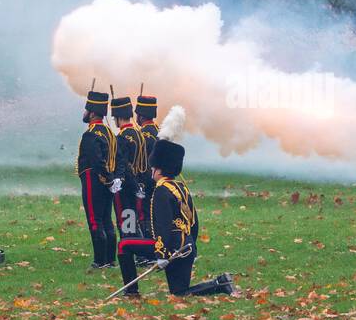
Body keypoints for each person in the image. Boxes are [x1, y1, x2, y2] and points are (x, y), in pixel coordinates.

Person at [115, 124, 236, 298]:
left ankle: (131, 292)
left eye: (153, 167)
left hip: (170, 247)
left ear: (159, 169)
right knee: (179, 293)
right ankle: (219, 283)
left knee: (124, 245)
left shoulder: (161, 190)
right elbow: (193, 221)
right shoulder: (181, 187)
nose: (151, 170)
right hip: (186, 248)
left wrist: (161, 254)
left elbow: (163, 225)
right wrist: (193, 247)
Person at [76, 89, 118, 269]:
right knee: (107, 220)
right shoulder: (109, 132)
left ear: (92, 113)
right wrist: (112, 180)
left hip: (94, 181)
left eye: (86, 109)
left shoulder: (90, 134)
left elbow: (96, 161)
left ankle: (100, 261)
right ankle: (110, 259)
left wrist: (106, 178)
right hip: (108, 183)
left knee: (95, 220)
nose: (84, 113)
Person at [110, 94, 149, 239]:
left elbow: (124, 166)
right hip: (139, 184)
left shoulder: (121, 138)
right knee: (133, 218)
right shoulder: (139, 134)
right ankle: (139, 253)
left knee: (125, 221)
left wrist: (121, 181)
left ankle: (129, 252)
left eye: (114, 118)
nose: (114, 120)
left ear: (118, 117)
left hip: (126, 186)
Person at [135, 92, 160, 236]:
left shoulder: (141, 135)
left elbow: (138, 162)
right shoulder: (160, 132)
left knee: (143, 217)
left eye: (137, 114)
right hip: (158, 181)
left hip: (144, 183)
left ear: (141, 116)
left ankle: (146, 249)